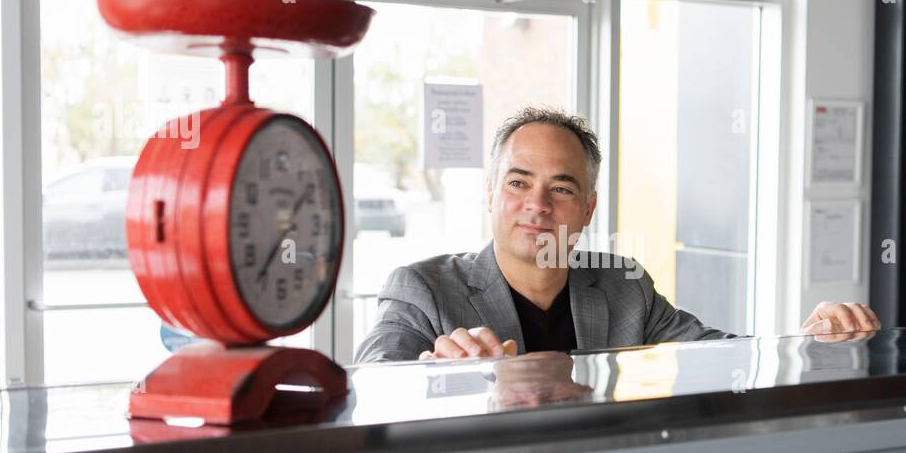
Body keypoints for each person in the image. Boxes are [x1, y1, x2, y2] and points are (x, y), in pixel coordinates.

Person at [356, 107, 878, 363]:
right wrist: (435, 382)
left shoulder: (623, 285)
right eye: (518, 183)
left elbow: (723, 359)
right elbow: (371, 391)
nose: (536, 206)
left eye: (560, 189)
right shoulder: (421, 289)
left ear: (587, 209)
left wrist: (805, 344)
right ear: (490, 193)